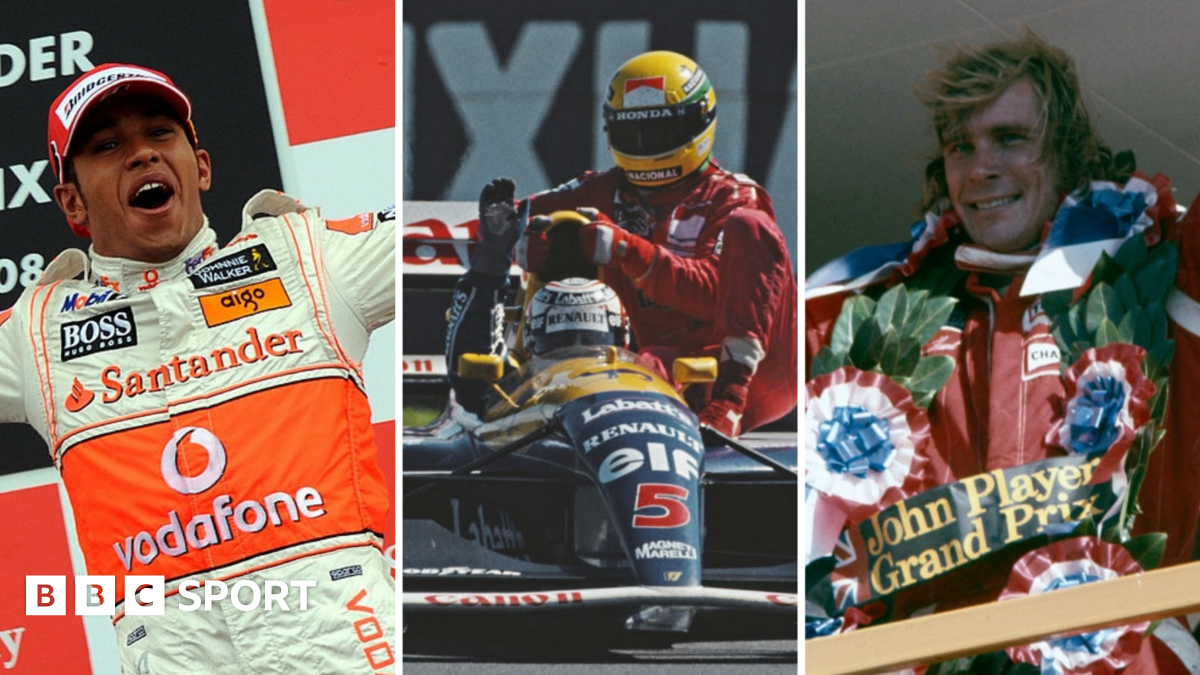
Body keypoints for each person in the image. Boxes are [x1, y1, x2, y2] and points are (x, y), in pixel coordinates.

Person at [805, 32, 1200, 671]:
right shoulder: (861, 307)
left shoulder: (1165, 267)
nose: (980, 167)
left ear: (1068, 149)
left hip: (1124, 654)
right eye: (962, 146)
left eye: (1010, 139)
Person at [0, 64, 396, 674]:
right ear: (72, 202)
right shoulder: (38, 333)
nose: (140, 156)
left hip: (345, 650)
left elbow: (469, 238)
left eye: (160, 134)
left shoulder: (307, 258)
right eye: (107, 146)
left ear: (201, 166)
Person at [515, 50, 798, 437]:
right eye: (634, 134)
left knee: (750, 226)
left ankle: (730, 400)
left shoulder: (733, 196)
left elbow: (711, 296)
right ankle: (518, 394)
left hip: (759, 379)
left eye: (662, 132)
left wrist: (628, 251)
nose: (648, 147)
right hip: (654, 361)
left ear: (701, 122)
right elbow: (504, 216)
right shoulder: (602, 188)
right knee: (563, 228)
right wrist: (521, 240)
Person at [445, 178, 631, 417]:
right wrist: (490, 261)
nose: (575, 355)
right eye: (562, 339)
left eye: (592, 338)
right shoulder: (512, 394)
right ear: (531, 342)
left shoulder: (643, 380)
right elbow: (469, 379)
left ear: (622, 337)